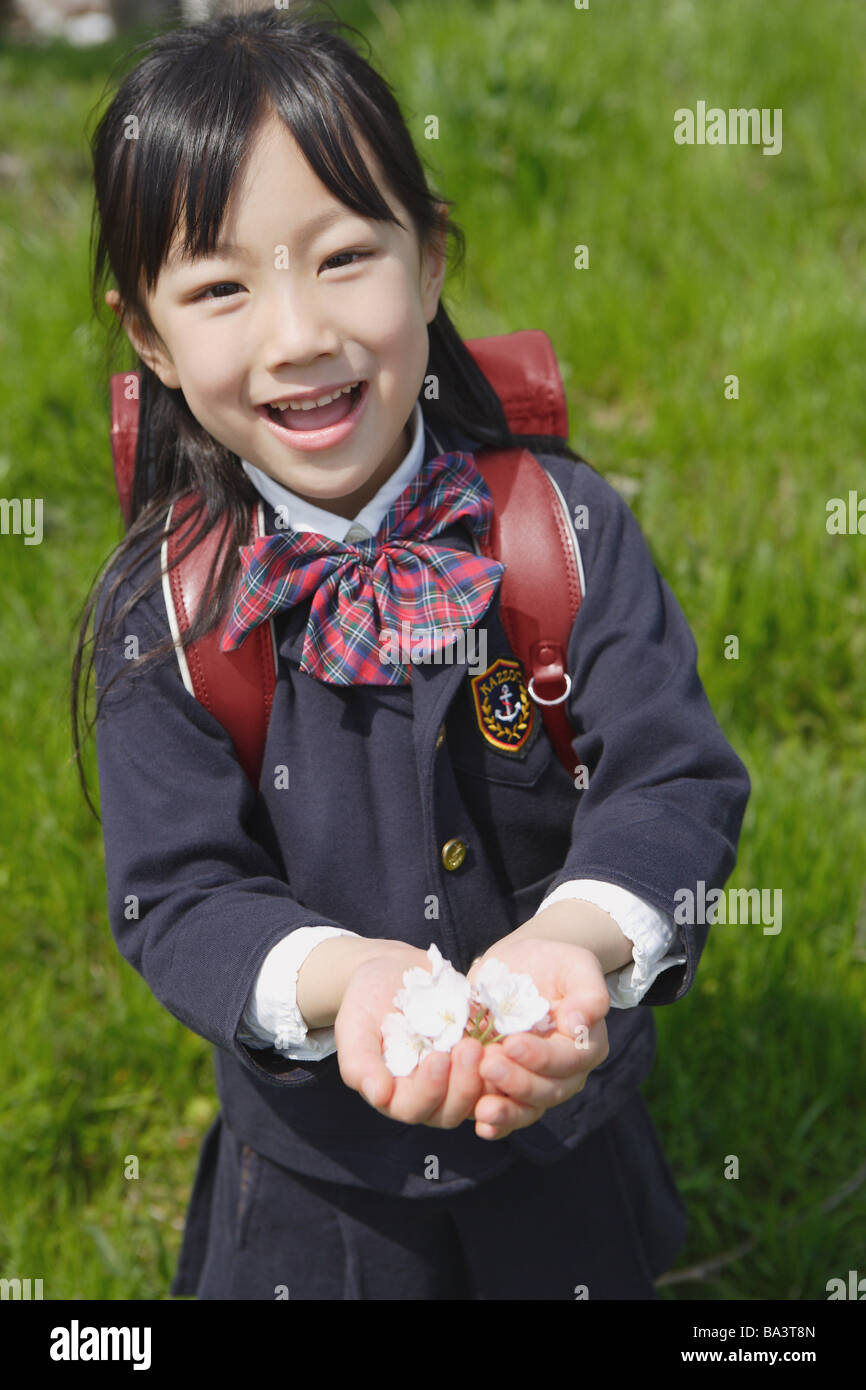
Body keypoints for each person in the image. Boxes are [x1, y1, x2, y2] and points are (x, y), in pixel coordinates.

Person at [72, 3, 750, 1300]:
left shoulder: (561, 532)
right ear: (149, 337)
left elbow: (673, 780)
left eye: (342, 257)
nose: (297, 334)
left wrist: (574, 943)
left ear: (429, 261)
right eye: (219, 286)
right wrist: (342, 981)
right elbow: (180, 890)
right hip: (318, 1198)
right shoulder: (164, 612)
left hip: (564, 1156)